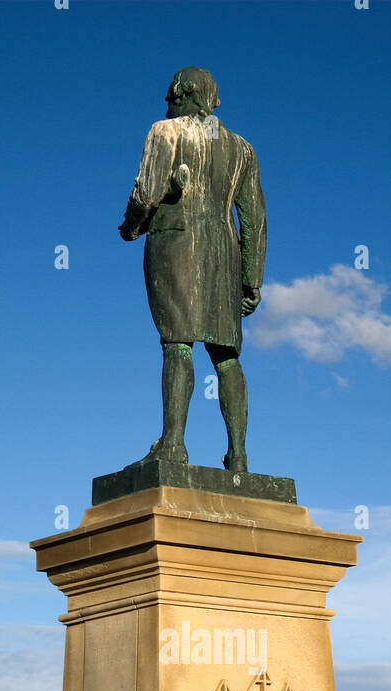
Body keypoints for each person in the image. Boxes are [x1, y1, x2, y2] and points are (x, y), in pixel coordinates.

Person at [119, 66, 266, 472]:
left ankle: (173, 446)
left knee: (177, 343)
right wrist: (251, 278)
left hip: (176, 244)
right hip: (224, 252)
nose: (166, 103)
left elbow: (147, 191)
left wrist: (130, 228)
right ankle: (238, 456)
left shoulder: (166, 132)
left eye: (170, 95)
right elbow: (254, 217)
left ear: (183, 95)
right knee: (227, 356)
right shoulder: (243, 149)